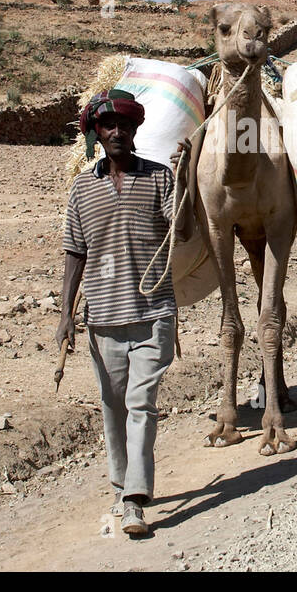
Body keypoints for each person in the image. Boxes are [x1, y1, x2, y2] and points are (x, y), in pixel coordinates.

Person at [56, 89, 179, 537]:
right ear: (96, 132)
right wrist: (66, 314)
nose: (117, 131)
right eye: (108, 125)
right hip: (103, 318)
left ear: (136, 129)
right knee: (113, 409)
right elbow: (74, 252)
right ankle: (120, 484)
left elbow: (181, 228)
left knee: (140, 403)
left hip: (154, 312)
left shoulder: (161, 178)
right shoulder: (82, 187)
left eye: (125, 124)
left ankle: (133, 499)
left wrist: (188, 179)